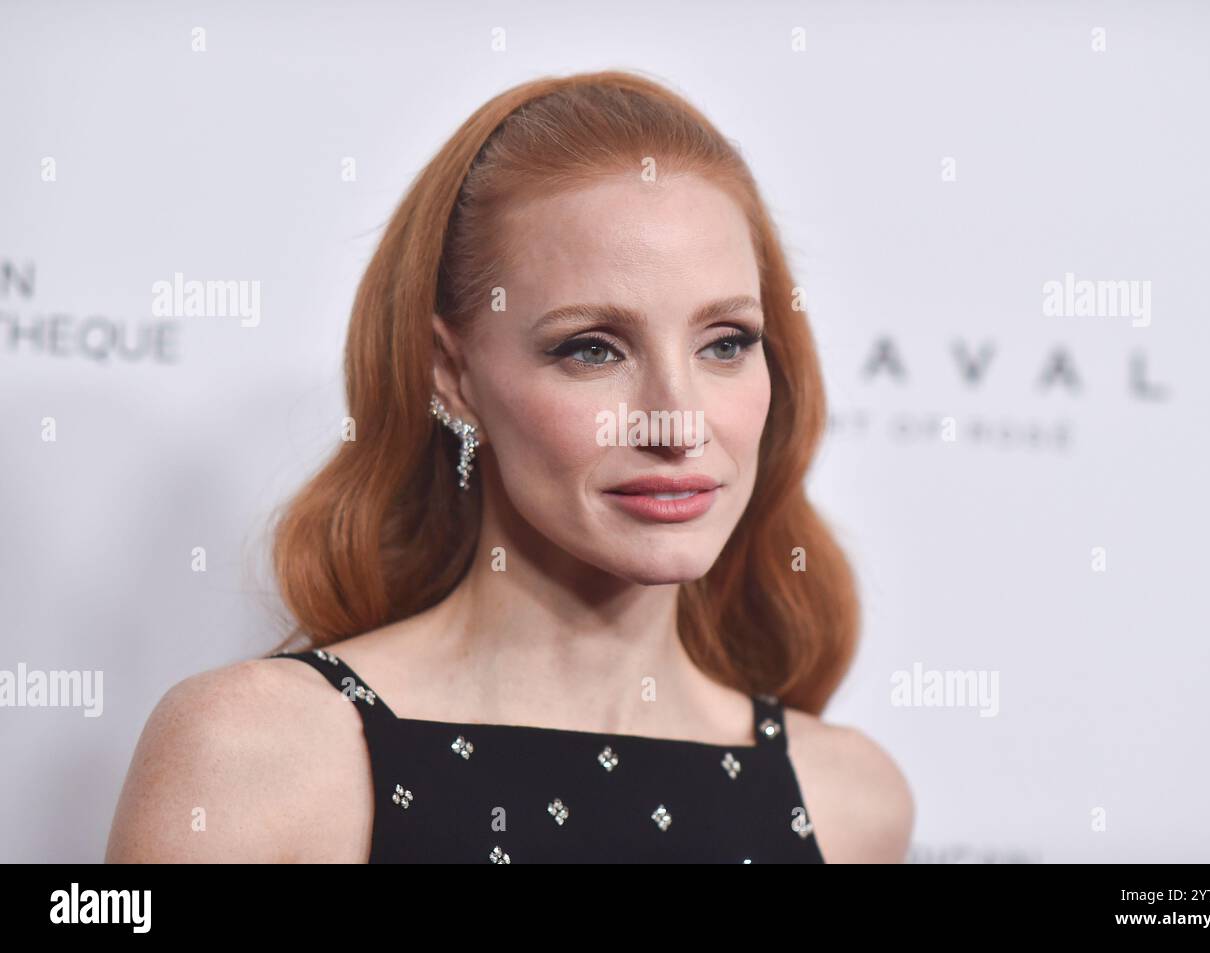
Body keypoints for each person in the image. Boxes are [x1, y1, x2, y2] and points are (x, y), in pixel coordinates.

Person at [106, 69, 913, 863]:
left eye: (726, 342)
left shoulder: (848, 803)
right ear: (451, 377)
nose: (679, 421)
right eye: (591, 348)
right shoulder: (257, 761)